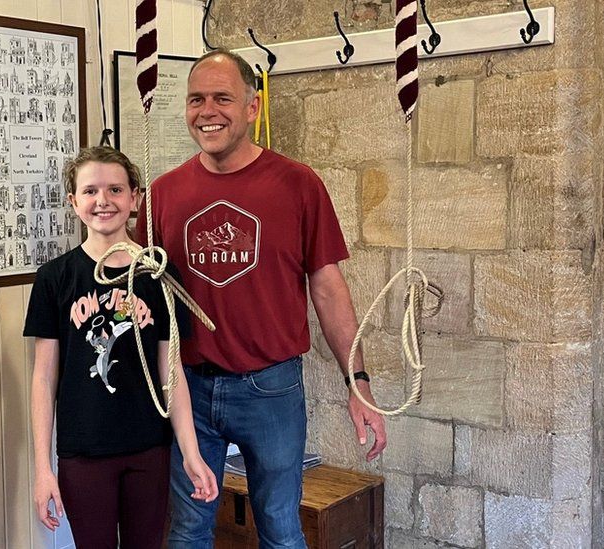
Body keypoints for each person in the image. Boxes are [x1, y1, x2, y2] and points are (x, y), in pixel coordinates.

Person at [135, 49, 388, 548]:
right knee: (187, 530)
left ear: (252, 107)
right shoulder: (163, 193)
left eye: (222, 98)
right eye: (196, 100)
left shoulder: (297, 184)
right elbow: (143, 289)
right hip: (190, 389)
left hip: (271, 390)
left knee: (279, 527)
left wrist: (357, 382)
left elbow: (328, 286)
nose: (207, 111)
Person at [25, 146, 219, 549]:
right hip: (83, 452)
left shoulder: (159, 275)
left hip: (148, 447)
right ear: (73, 200)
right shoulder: (55, 278)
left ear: (135, 198)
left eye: (115, 189)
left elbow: (172, 372)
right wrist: (42, 468)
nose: (103, 201)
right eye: (91, 190)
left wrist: (191, 453)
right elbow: (43, 378)